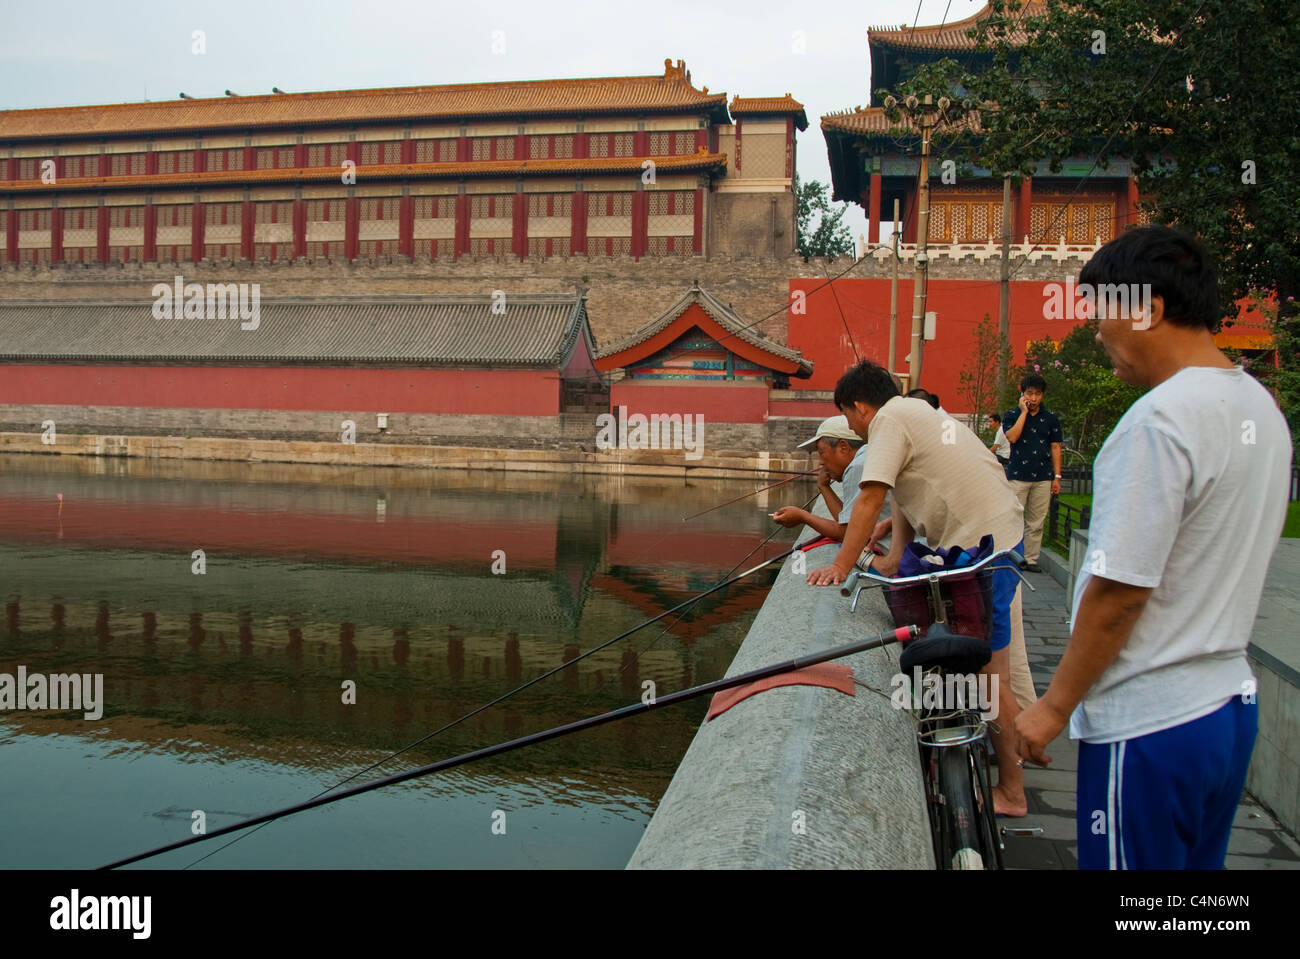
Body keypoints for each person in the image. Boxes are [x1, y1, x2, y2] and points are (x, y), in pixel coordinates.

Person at [1015, 225, 1292, 869]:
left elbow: (1119, 593)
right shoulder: (1260, 410)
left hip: (1150, 722)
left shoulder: (1159, 422)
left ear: (1148, 308)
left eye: (1102, 314)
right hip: (1225, 710)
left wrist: (1053, 709)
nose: (1097, 332)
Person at [806, 360, 1032, 815]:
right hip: (999, 534)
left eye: (847, 416)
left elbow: (870, 496)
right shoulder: (915, 413)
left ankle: (1012, 790)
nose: (850, 427)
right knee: (997, 665)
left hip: (983, 547)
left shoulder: (889, 420)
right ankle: (1025, 747)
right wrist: (892, 557)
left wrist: (841, 565)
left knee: (991, 674)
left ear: (861, 407)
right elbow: (904, 496)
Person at [771, 415, 890, 544]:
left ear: (843, 447)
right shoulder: (869, 456)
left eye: (822, 453)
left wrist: (803, 516)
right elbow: (846, 520)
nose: (821, 463)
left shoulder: (858, 466)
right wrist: (824, 487)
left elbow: (848, 533)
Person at [1002, 375, 1062, 571]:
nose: (1034, 398)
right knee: (1014, 517)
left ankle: (1031, 559)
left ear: (1042, 395)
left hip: (1043, 477)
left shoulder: (1051, 418)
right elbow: (1012, 437)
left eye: (1037, 394)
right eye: (1030, 393)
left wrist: (1057, 476)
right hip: (1018, 475)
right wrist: (1023, 412)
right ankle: (1011, 555)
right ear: (1022, 394)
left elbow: (1055, 447)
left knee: (1036, 521)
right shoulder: (1012, 415)